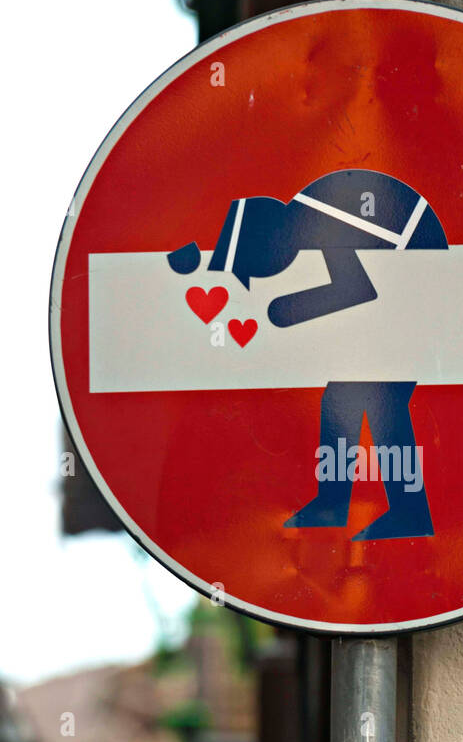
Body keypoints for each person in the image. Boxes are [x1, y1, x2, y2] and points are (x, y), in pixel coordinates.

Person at [167, 168, 448, 541]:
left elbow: (354, 287)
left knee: (381, 398)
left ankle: (405, 512)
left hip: (421, 281)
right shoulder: (312, 212)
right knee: (347, 396)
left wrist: (284, 309)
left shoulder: (321, 216)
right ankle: (336, 504)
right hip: (409, 281)